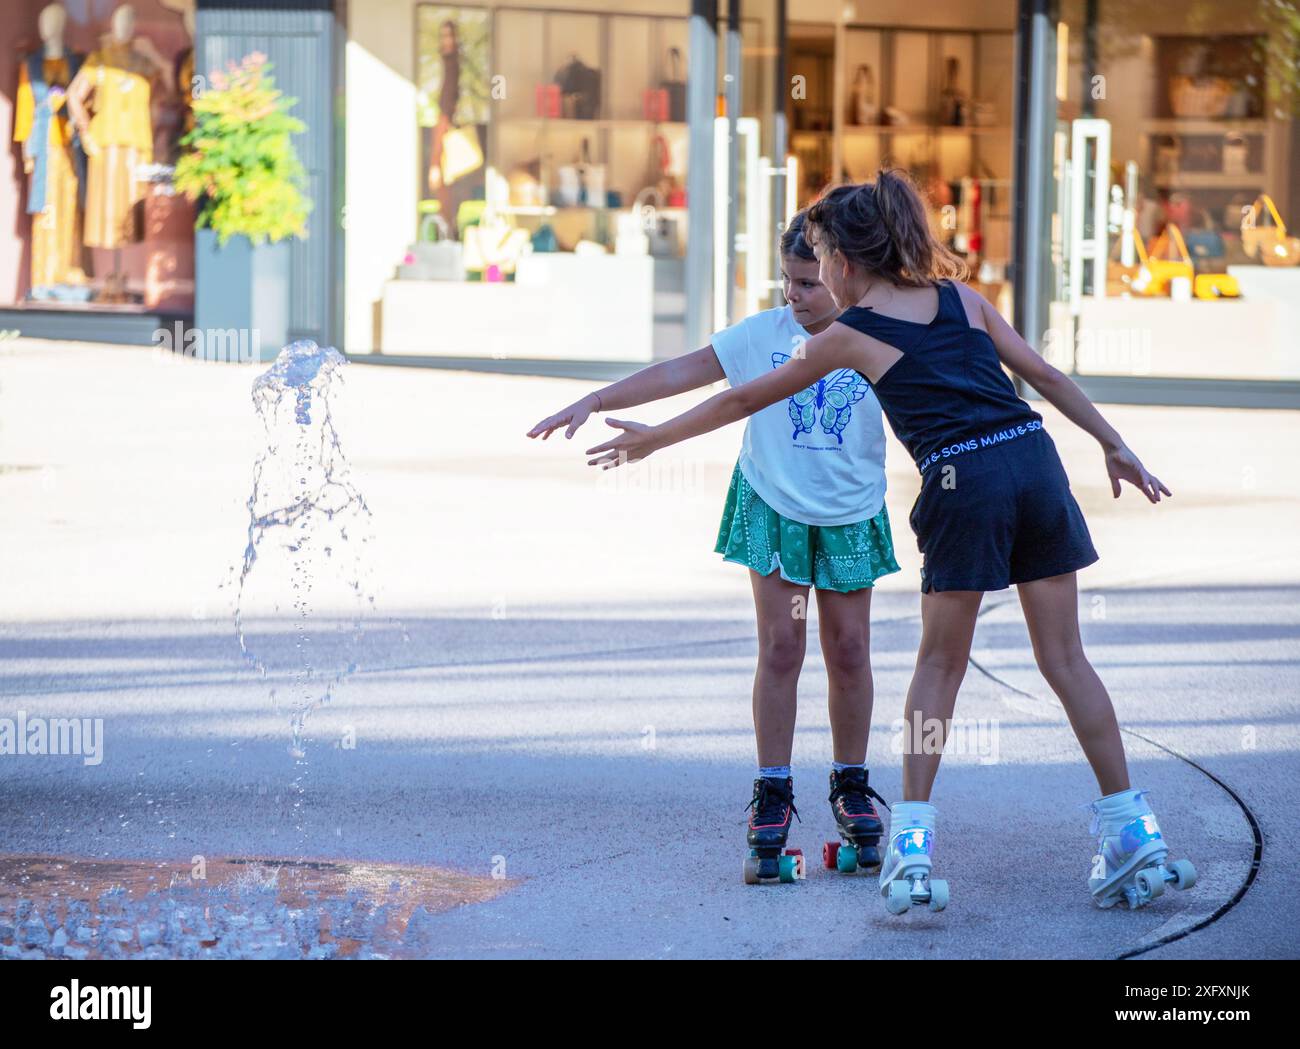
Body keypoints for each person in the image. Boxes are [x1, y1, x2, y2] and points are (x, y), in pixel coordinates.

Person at [582, 170, 1197, 913]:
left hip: (961, 483)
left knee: (939, 665)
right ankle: (1134, 830)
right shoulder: (961, 298)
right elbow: (1042, 373)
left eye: (815, 261)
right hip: (1035, 462)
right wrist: (1114, 442)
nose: (806, 283)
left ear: (842, 262)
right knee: (1066, 657)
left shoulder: (852, 334)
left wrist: (655, 441)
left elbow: (744, 397)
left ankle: (909, 847)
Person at [528, 212, 899, 885]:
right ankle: (774, 790)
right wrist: (597, 397)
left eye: (810, 284)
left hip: (848, 512)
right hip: (775, 502)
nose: (796, 295)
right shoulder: (765, 334)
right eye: (789, 281)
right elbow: (687, 370)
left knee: (849, 651)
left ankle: (850, 782)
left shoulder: (876, 336)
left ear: (845, 275)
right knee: (781, 649)